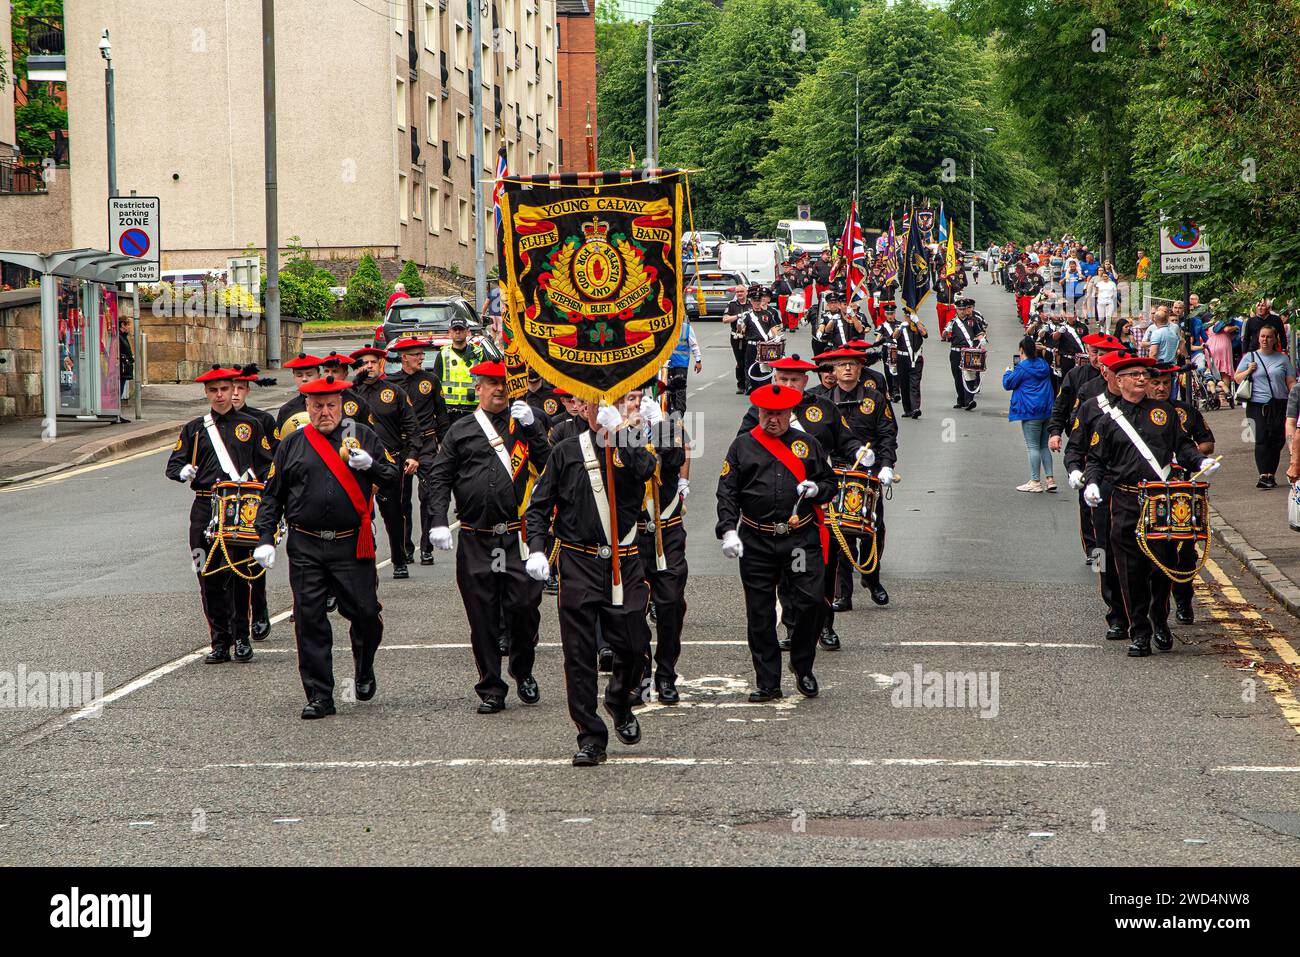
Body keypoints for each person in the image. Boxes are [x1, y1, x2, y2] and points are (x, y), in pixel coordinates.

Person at [523, 397, 659, 767]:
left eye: (610, 405)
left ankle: (618, 698)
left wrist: (621, 435)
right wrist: (536, 549)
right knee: (579, 654)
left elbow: (647, 469)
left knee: (633, 645)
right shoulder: (566, 450)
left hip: (624, 561)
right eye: (596, 406)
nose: (602, 412)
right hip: (578, 560)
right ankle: (590, 735)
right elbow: (538, 507)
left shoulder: (633, 447)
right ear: (584, 409)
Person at [253, 373, 397, 718]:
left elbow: (394, 478)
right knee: (309, 619)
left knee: (365, 614)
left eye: (331, 405)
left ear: (342, 406)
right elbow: (273, 496)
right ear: (307, 407)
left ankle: (364, 667)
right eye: (317, 406)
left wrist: (372, 466)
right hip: (306, 545)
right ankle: (320, 694)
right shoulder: (292, 444)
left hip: (351, 545)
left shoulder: (362, 436)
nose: (324, 412)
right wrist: (264, 538)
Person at [426, 360, 550, 714]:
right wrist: (437, 519)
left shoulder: (526, 423)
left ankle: (522, 669)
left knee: (525, 608)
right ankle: (491, 687)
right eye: (491, 383)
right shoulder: (461, 430)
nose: (499, 389)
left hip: (517, 538)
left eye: (505, 383)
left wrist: (533, 430)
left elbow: (552, 466)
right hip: (477, 538)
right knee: (481, 616)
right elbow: (440, 476)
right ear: (477, 387)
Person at [1081, 352, 1219, 657]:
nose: (1142, 379)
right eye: (1134, 375)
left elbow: (1182, 447)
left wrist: (1200, 461)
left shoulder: (1165, 414)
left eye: (1144, 374)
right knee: (1130, 571)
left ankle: (1160, 620)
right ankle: (1139, 631)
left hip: (1161, 501)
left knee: (1162, 566)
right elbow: (1096, 460)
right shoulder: (1108, 421)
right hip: (1126, 500)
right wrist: (1090, 483)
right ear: (1119, 381)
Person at [716, 383, 836, 701]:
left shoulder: (807, 444)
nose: (773, 419)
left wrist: (817, 490)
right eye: (767, 413)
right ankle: (767, 681)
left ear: (789, 414)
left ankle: (802, 664)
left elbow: (829, 482)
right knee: (760, 612)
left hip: (799, 539)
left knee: (810, 601)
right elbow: (727, 491)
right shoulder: (742, 447)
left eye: (779, 414)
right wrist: (728, 530)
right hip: (756, 540)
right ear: (758, 413)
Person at [165, 366, 273, 664]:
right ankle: (219, 641)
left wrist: (264, 491)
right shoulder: (195, 428)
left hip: (238, 509)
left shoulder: (251, 425)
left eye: (225, 389)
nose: (221, 395)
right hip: (203, 507)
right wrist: (183, 471)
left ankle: (241, 637)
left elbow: (267, 465)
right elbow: (173, 464)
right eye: (214, 390)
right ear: (206, 393)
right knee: (207, 574)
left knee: (238, 575)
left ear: (233, 389)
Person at [1146, 362, 1215, 629]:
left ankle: (1184, 600)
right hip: (1149, 492)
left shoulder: (1186, 411)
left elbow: (1207, 441)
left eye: (1166, 383)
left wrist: (1196, 454)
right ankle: (1154, 611)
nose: (1161, 387)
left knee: (1185, 551)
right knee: (1153, 553)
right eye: (1156, 383)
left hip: (1183, 492)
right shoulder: (1137, 413)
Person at [635, 389, 691, 702]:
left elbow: (676, 457)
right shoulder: (611, 432)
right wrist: (627, 432)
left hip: (666, 531)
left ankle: (666, 673)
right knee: (632, 610)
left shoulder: (667, 427)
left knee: (670, 603)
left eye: (638, 398)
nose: (634, 404)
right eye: (627, 398)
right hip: (631, 534)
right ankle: (640, 674)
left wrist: (656, 431)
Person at [349, 346, 423, 577]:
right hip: (356, 462)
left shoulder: (395, 392)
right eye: (364, 363)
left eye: (373, 362)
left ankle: (399, 559)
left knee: (393, 512)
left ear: (381, 364)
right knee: (358, 514)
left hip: (389, 460)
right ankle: (362, 560)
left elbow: (412, 426)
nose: (369, 366)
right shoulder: (350, 395)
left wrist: (412, 454)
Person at [386, 337, 450, 566]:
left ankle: (427, 547)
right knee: (402, 499)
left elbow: (441, 415)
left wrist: (446, 444)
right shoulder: (391, 383)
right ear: (404, 357)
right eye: (416, 354)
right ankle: (406, 548)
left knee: (429, 495)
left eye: (422, 354)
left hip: (427, 444)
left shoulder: (431, 380)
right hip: (402, 445)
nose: (421, 358)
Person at [230, 363, 280, 640]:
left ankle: (259, 608)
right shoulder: (208, 423)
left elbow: (272, 461)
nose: (234, 394)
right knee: (227, 562)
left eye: (240, 388)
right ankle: (234, 622)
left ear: (248, 389)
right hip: (223, 500)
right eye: (230, 388)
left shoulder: (262, 420)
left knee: (253, 557)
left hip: (253, 496)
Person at [1234, 326, 1297, 488]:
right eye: (1262, 336)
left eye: (1269, 337)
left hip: (1279, 403)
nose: (1265, 340)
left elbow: (1290, 381)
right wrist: (1248, 370)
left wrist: (1295, 396)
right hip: (1257, 404)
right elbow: (1237, 378)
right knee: (1261, 437)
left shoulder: (1283, 359)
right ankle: (1263, 475)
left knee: (1277, 438)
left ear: (1275, 339)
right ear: (1258, 338)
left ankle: (1271, 474)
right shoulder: (1250, 357)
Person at [1003, 337, 1057, 492]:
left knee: (1032, 446)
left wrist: (1007, 372)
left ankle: (1035, 481)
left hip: (1030, 410)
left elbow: (1008, 384)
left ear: (1021, 350)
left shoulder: (1022, 367)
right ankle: (1050, 478)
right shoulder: (1043, 364)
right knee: (1043, 446)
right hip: (1046, 410)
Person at [431, 317, 486, 424]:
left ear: (467, 331)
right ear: (450, 332)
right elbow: (435, 386)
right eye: (455, 329)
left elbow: (487, 383)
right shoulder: (443, 355)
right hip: (449, 411)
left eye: (461, 329)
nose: (457, 332)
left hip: (473, 409)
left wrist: (481, 407)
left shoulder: (479, 354)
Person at [948, 295, 987, 411]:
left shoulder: (972, 321)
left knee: (970, 375)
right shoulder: (953, 322)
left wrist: (981, 339)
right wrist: (947, 330)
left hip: (968, 351)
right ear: (956, 309)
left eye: (963, 309)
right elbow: (945, 336)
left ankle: (969, 400)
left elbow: (979, 333)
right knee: (958, 377)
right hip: (955, 352)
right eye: (959, 309)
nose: (962, 311)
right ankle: (961, 400)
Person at [893, 309, 927, 418]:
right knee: (904, 384)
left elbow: (924, 333)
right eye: (907, 316)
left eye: (910, 316)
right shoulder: (900, 326)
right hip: (902, 358)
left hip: (916, 359)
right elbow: (894, 336)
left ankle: (915, 408)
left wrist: (917, 322)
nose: (908, 318)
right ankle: (907, 409)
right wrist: (901, 328)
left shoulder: (918, 325)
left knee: (914, 384)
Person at [724, 284, 751, 393]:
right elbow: (725, 319)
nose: (739, 294)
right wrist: (738, 316)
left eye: (742, 291)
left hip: (749, 336)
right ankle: (741, 384)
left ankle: (749, 384)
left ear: (746, 292)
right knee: (740, 362)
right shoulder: (731, 305)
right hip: (736, 337)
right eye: (738, 292)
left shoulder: (751, 304)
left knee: (749, 360)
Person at [117, 322, 134, 421]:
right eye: (128, 325)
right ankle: (117, 415)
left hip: (124, 368)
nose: (129, 327)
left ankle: (118, 414)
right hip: (121, 368)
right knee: (119, 390)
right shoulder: (119, 337)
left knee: (121, 390)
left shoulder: (123, 336)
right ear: (123, 325)